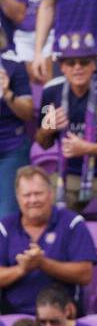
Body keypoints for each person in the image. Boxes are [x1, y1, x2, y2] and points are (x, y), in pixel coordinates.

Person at [34, 46, 97, 229]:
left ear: (94, 64)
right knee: (44, 215)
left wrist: (88, 148)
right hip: (69, 172)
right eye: (71, 63)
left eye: (84, 62)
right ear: (62, 67)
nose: (77, 68)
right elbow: (42, 142)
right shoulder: (50, 92)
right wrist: (47, 129)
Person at [0, 166, 95, 315]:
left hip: (61, 317)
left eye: (38, 194)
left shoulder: (72, 223)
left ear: (50, 194)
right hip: (13, 318)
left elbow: (85, 274)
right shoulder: (4, 227)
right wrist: (22, 269)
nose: (33, 200)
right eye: (27, 195)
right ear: (18, 198)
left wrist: (43, 263)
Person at [0, 50, 34, 219]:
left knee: (6, 217)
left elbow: (28, 113)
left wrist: (7, 94)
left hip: (10, 147)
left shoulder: (12, 64)